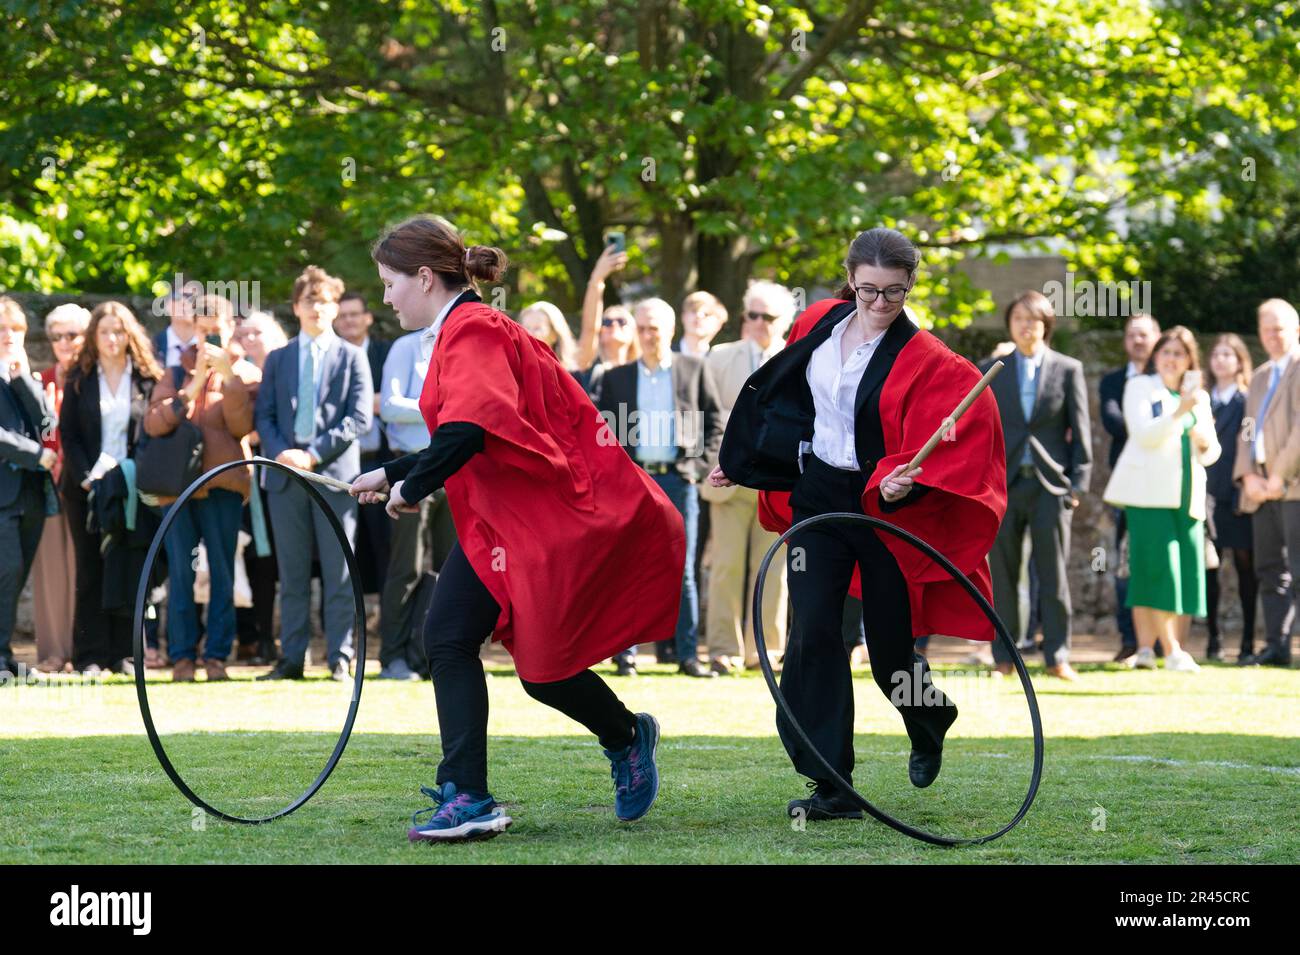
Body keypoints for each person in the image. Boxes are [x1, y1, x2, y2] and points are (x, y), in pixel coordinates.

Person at [351, 214, 683, 841]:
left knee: (543, 670)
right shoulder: (468, 329)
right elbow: (468, 434)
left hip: (540, 521)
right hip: (502, 525)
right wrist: (391, 470)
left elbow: (470, 432)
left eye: (390, 283)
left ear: (424, 278)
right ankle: (468, 794)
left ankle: (624, 735)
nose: (386, 297)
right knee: (448, 637)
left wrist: (409, 486)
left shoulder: (473, 330)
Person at [709, 228, 1007, 821]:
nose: (878, 304)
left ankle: (927, 717)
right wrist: (746, 463)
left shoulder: (928, 358)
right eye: (867, 290)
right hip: (819, 497)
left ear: (910, 286)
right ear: (849, 278)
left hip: (883, 511)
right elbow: (783, 396)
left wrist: (905, 477)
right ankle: (833, 784)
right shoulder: (818, 322)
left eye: (893, 293)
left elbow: (965, 430)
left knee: (892, 656)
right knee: (814, 632)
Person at [254, 266, 372, 682]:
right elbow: (264, 415)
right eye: (309, 301)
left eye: (324, 301)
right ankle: (292, 658)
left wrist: (313, 454)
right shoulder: (280, 358)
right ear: (296, 307)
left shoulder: (353, 356)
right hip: (285, 480)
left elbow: (358, 418)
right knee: (292, 574)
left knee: (340, 572)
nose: (317, 308)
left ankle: (339, 658)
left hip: (334, 478)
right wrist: (281, 453)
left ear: (335, 307)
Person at [596, 297, 725, 677]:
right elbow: (602, 432)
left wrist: (699, 467)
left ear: (670, 330)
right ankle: (627, 655)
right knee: (630, 564)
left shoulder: (693, 368)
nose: (649, 335)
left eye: (656, 327)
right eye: (644, 327)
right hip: (634, 480)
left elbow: (715, 423)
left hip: (678, 478)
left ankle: (688, 655)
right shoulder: (617, 377)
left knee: (682, 567)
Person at [143, 294, 261, 682]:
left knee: (224, 573)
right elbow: (154, 425)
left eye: (216, 329)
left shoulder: (245, 373)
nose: (209, 336)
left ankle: (215, 657)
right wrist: (192, 387)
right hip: (177, 488)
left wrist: (228, 379)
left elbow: (243, 427)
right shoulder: (174, 374)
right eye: (202, 329)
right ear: (192, 329)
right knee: (181, 572)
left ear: (229, 328)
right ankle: (181, 657)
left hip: (224, 484)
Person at [982, 291, 1092, 681]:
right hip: (1004, 486)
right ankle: (1003, 658)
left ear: (1046, 325)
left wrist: (1076, 486)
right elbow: (979, 433)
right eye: (1019, 319)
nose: (1026, 326)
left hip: (1051, 487)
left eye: (1034, 319)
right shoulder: (991, 369)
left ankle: (1057, 655)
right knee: (1003, 574)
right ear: (1010, 325)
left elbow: (1081, 433)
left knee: (1053, 575)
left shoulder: (1068, 369)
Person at [1104, 326, 1219, 672]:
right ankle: (1168, 650)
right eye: (1166, 352)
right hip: (1148, 495)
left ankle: (1159, 649)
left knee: (1182, 573)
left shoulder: (1199, 396)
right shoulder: (1140, 386)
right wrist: (1179, 413)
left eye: (1179, 354)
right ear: (1156, 356)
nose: (1172, 360)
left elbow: (1213, 452)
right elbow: (1143, 434)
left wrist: (1203, 442)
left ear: (1189, 360)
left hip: (1188, 496)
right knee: (1157, 570)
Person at [60, 301, 164, 675]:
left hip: (131, 488)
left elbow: (152, 433)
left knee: (129, 567)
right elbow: (68, 435)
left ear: (129, 334)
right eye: (103, 331)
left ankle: (126, 654)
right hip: (86, 487)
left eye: (118, 331)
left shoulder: (148, 378)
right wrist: (85, 474)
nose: (111, 338)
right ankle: (89, 655)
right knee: (91, 568)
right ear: (94, 337)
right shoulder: (78, 377)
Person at [701, 280, 795, 675]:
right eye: (751, 315)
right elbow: (703, 418)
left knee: (774, 570)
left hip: (775, 483)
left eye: (767, 316)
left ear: (784, 322)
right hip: (726, 481)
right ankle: (723, 649)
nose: (757, 322)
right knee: (725, 566)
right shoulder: (718, 357)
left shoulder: (797, 359)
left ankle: (765, 650)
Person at [375, 326, 458, 680]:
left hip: (454, 469)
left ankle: (426, 656)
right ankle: (392, 657)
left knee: (445, 570)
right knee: (406, 567)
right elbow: (390, 407)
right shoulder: (405, 347)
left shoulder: (460, 347)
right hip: (410, 468)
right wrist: (444, 408)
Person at [1233, 298, 1300, 667]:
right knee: (1270, 571)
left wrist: (1278, 476)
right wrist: (1248, 477)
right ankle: (1277, 647)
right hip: (1261, 489)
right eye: (1266, 329)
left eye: (1279, 328)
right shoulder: (1259, 376)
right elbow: (1246, 432)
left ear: (1296, 331)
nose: (1272, 336)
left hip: (1293, 486)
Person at [0, 297, 58, 679]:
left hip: (31, 496)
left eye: (15, 329)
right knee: (7, 569)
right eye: (1, 329)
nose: (8, 336)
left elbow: (49, 425)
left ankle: (3, 656)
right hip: (3, 493)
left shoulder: (26, 376)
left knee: (16, 576)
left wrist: (22, 379)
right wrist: (35, 455)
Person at [31, 303, 90, 673]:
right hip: (50, 487)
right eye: (57, 337)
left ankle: (85, 652)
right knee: (51, 571)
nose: (64, 343)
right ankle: (53, 653)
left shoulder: (96, 379)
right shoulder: (39, 382)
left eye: (72, 335)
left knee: (86, 569)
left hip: (86, 486)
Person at [1099, 313, 1161, 661]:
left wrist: (1143, 427)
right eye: (1132, 335)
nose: (1138, 341)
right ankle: (1129, 639)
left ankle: (1162, 641)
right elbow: (1112, 422)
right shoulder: (1112, 381)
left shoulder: (1168, 378)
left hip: (1166, 482)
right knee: (1125, 561)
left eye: (1144, 335)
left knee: (1158, 560)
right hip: (1129, 483)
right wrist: (1151, 428)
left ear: (1157, 338)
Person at [230, 311, 287, 664]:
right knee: (256, 561)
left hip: (284, 473)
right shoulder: (239, 374)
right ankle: (256, 639)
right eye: (244, 333)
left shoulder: (286, 368)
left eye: (257, 332)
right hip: (250, 482)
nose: (250, 338)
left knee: (288, 563)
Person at [335, 292, 392, 598]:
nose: (348, 320)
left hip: (378, 459)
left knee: (384, 541)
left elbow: (390, 403)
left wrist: (355, 407)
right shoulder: (332, 357)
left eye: (354, 314)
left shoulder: (386, 352)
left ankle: (386, 614)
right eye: (342, 315)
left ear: (368, 318)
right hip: (339, 461)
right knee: (344, 544)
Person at [1204, 333, 1256, 661]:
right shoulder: (1200, 399)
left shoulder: (1247, 400)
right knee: (1210, 569)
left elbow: (1249, 441)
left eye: (1228, 354)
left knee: (1245, 569)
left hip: (1235, 495)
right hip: (1205, 494)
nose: (1221, 359)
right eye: (1216, 354)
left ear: (1240, 361)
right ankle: (1213, 640)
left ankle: (1249, 642)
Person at [576, 244, 639, 398]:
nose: (614, 325)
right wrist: (597, 278)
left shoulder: (644, 372)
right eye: (607, 322)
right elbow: (589, 329)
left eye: (622, 321)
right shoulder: (589, 368)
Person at [518, 301, 579, 371]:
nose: (529, 334)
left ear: (555, 335)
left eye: (537, 328)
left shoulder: (571, 375)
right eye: (526, 328)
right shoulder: (514, 371)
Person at [677, 291, 727, 358]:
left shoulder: (721, 362)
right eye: (694, 310)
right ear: (683, 316)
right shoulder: (664, 356)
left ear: (719, 324)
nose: (699, 316)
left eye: (707, 314)